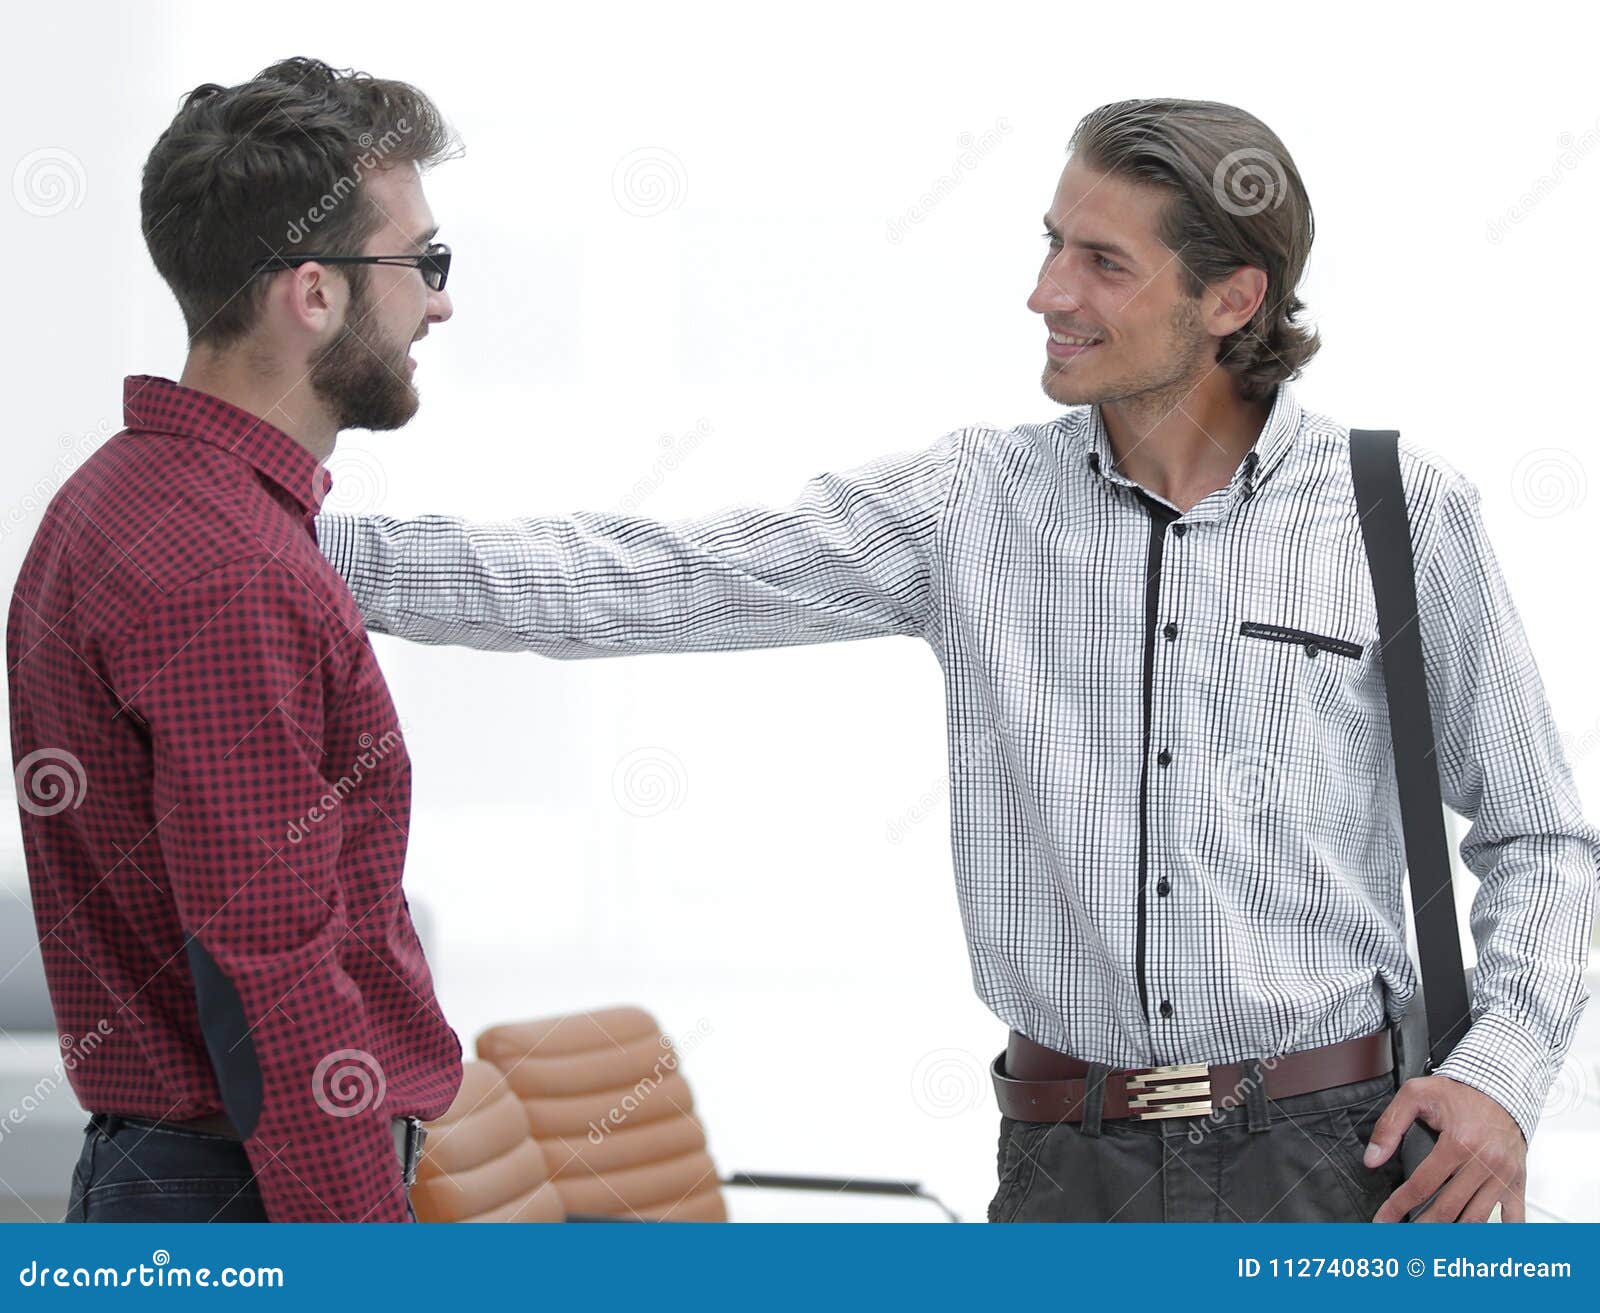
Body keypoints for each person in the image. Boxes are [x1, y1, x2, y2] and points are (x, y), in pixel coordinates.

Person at [315, 97, 1599, 1222]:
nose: (1046, 292)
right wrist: (293, 537)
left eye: (1101, 261)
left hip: (1340, 1165)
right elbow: (657, 574)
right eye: (1050, 244)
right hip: (1061, 1165)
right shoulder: (967, 508)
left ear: (1231, 297)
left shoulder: (1394, 507)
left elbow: (1543, 835)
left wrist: (1501, 1074)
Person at [6, 57, 462, 1222]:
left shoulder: (118, 497)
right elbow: (269, 967)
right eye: (425, 264)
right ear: (312, 293)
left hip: (186, 1176)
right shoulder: (228, 570)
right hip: (239, 1196)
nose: (441, 305)